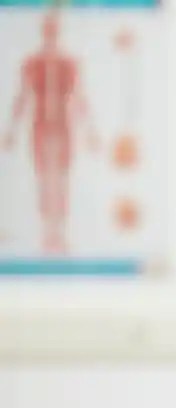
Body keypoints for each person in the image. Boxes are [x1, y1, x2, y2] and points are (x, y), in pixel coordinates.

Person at [2, 10, 99, 255]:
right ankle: (47, 233)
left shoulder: (70, 63)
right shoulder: (32, 63)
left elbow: (79, 98)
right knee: (45, 178)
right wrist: (11, 131)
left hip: (63, 125)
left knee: (62, 178)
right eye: (48, 29)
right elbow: (22, 97)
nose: (51, 33)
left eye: (53, 29)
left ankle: (61, 233)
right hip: (40, 124)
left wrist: (90, 132)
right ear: (43, 32)